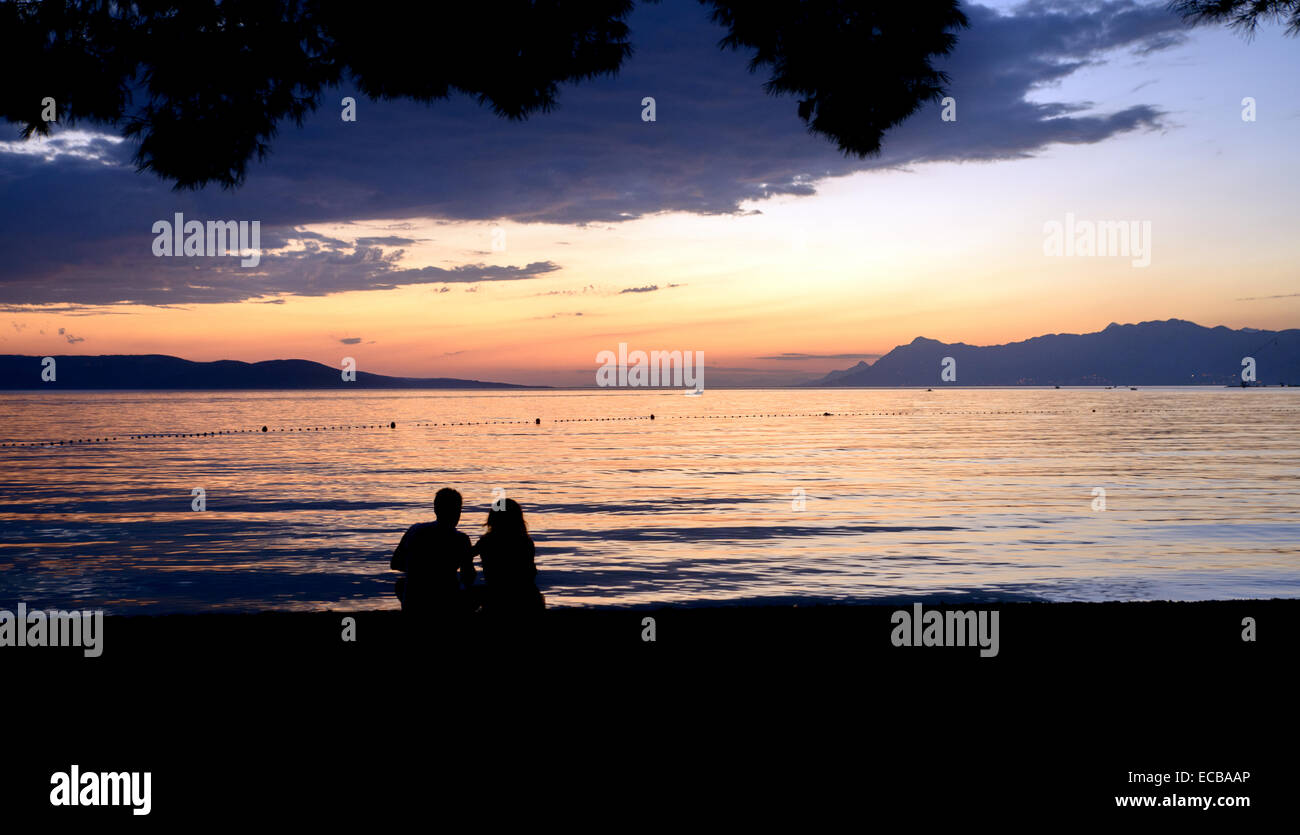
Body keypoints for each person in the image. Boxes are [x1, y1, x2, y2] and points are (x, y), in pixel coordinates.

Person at [391, 487, 475, 617]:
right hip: (446, 605)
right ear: (458, 511)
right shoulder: (461, 539)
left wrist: (418, 569)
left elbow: (395, 563)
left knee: (401, 584)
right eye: (458, 510)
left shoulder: (414, 530)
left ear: (435, 509)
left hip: (413, 604)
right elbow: (468, 578)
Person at [473, 498, 544, 615]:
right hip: (527, 595)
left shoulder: (486, 541)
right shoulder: (525, 541)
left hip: (496, 595)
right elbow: (531, 573)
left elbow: (465, 556)